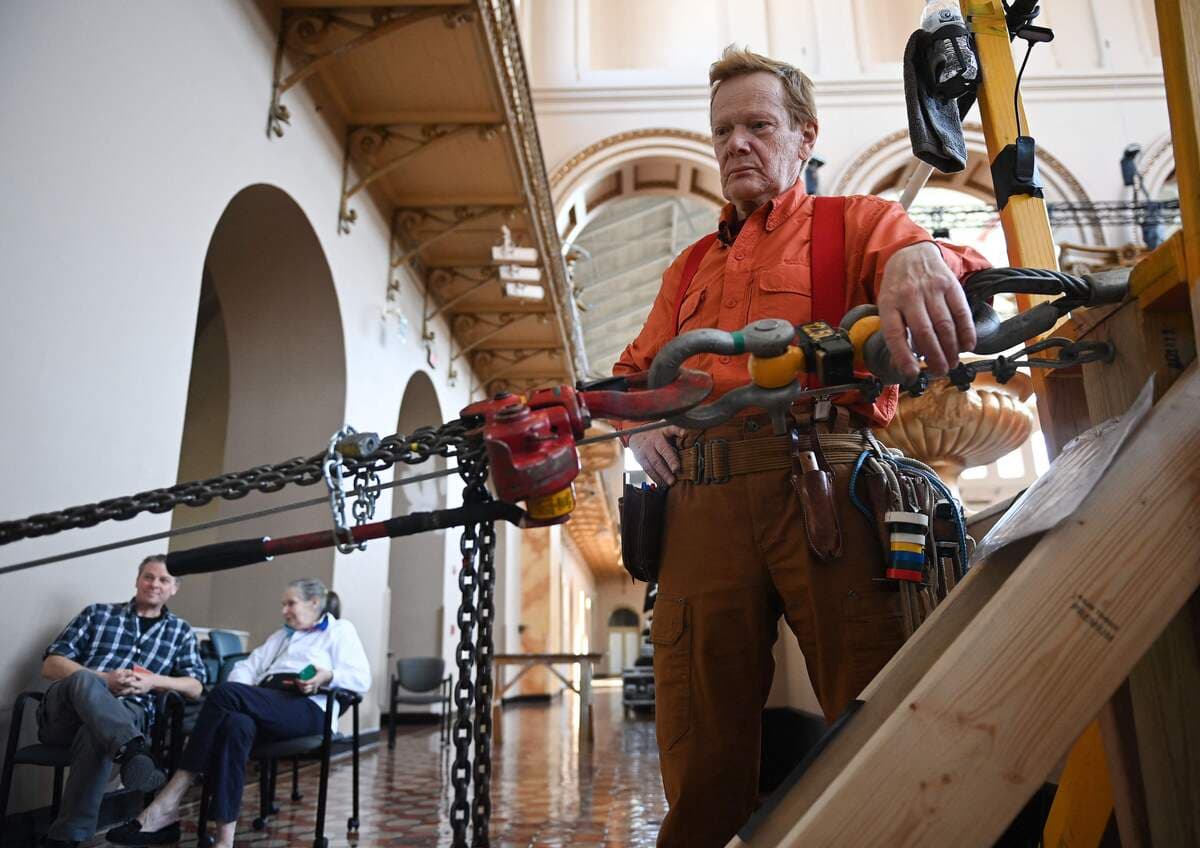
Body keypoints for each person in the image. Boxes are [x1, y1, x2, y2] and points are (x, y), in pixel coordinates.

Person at [613, 47, 991, 847]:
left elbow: (964, 273)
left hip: (828, 484)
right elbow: (630, 375)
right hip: (702, 501)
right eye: (722, 131)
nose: (736, 145)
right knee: (698, 740)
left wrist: (921, 254)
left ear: (803, 137)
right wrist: (638, 422)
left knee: (873, 703)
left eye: (757, 125)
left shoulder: (856, 222)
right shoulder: (686, 269)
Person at [107, 578, 371, 848]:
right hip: (267, 701)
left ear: (314, 603)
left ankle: (171, 797)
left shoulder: (339, 630)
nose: (284, 611)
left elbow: (361, 678)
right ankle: (225, 840)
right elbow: (246, 668)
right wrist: (245, 697)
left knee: (225, 694)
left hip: (310, 707)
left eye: (290, 603)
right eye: (283, 604)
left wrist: (326, 676)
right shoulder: (281, 636)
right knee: (236, 723)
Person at [38, 554, 205, 848]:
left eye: (163, 580)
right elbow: (51, 665)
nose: (154, 584)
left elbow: (195, 686)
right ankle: (133, 751)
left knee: (97, 731)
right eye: (148, 577)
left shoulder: (181, 631)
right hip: (65, 713)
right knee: (84, 680)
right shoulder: (97, 613)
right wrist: (103, 679)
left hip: (125, 714)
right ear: (137, 580)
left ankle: (65, 838)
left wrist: (154, 681)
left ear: (174, 588)